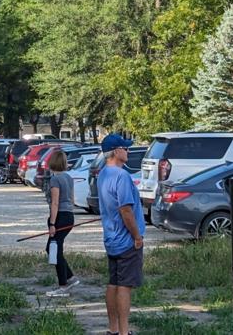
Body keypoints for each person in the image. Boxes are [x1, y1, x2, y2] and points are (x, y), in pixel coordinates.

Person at [97, 134, 145, 335]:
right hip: (126, 241)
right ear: (116, 151)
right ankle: (124, 332)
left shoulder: (103, 174)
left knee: (113, 282)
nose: (128, 151)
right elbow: (125, 210)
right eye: (125, 148)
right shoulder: (122, 176)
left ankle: (113, 329)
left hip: (111, 238)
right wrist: (137, 236)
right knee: (125, 286)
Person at [45, 150, 80, 297]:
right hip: (69, 216)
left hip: (60, 217)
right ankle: (70, 277)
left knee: (54, 249)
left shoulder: (55, 180)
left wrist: (52, 223)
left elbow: (55, 202)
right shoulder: (68, 177)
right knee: (52, 248)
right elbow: (72, 199)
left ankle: (63, 286)